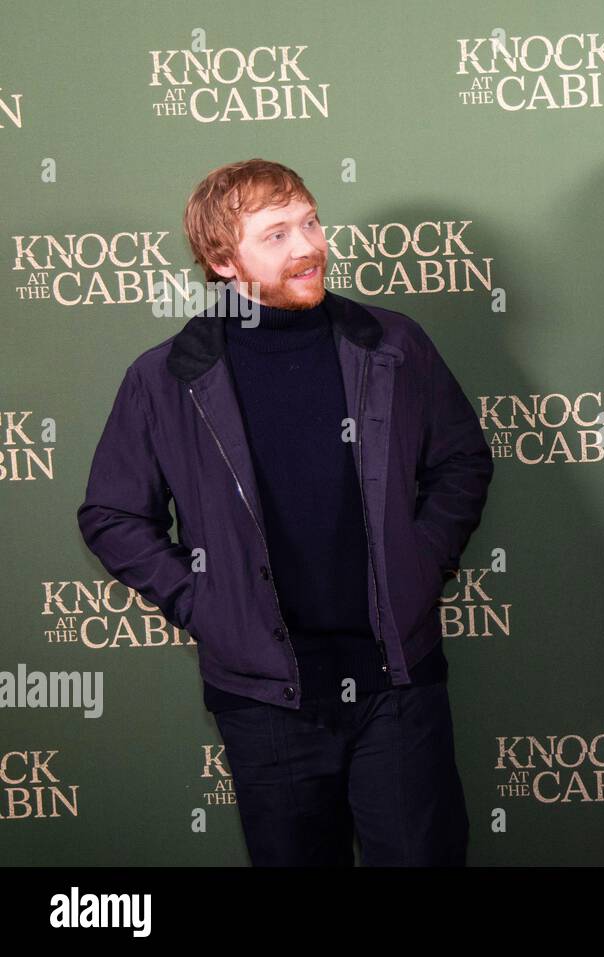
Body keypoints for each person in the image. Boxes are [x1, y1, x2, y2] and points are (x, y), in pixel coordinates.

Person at [77, 158, 492, 866]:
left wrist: (421, 564)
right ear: (221, 260)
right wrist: (206, 603)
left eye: (309, 221)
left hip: (397, 680)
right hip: (266, 696)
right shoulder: (167, 375)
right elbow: (113, 514)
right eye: (275, 235)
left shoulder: (392, 344)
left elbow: (462, 461)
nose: (307, 245)